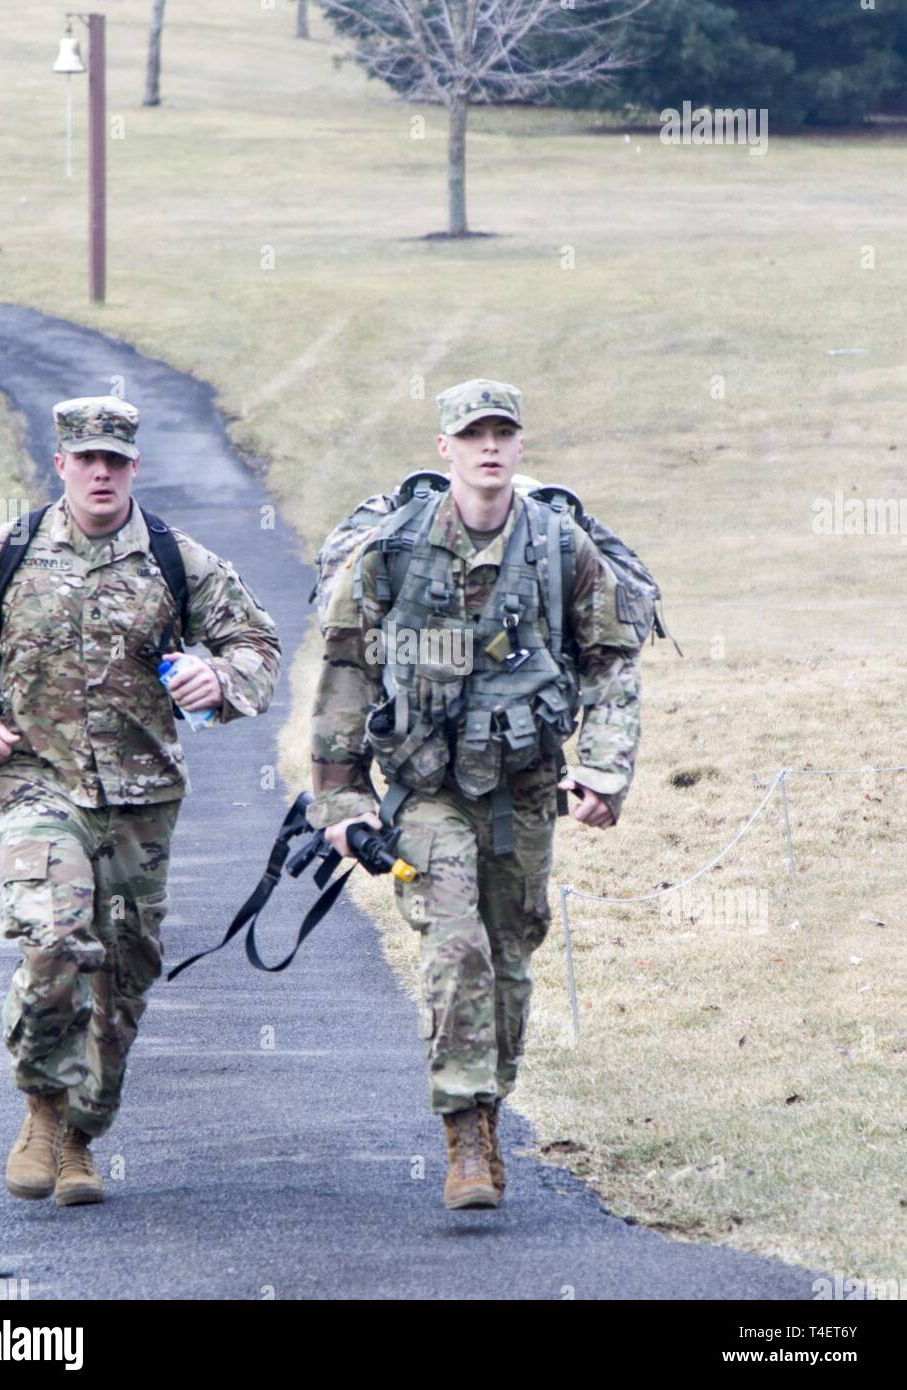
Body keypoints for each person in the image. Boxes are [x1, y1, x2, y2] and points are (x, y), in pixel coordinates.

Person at [0, 396, 281, 1206]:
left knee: (121, 983)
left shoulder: (174, 558)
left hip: (142, 798)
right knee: (54, 940)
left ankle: (84, 1135)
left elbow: (256, 645)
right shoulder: (8, 551)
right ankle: (41, 1111)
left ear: (134, 467)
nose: (99, 472)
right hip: (37, 781)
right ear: (61, 463)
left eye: (114, 460)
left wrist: (218, 678)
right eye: (85, 458)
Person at [307, 379, 642, 1209]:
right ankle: (461, 1132)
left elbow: (610, 662)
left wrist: (600, 768)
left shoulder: (561, 548)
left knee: (509, 959)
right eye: (472, 434)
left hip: (525, 792)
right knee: (454, 946)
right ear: (443, 449)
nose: (488, 447)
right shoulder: (391, 550)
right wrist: (343, 803)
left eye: (502, 433)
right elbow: (346, 673)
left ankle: (488, 1108)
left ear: (520, 446)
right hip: (426, 793)